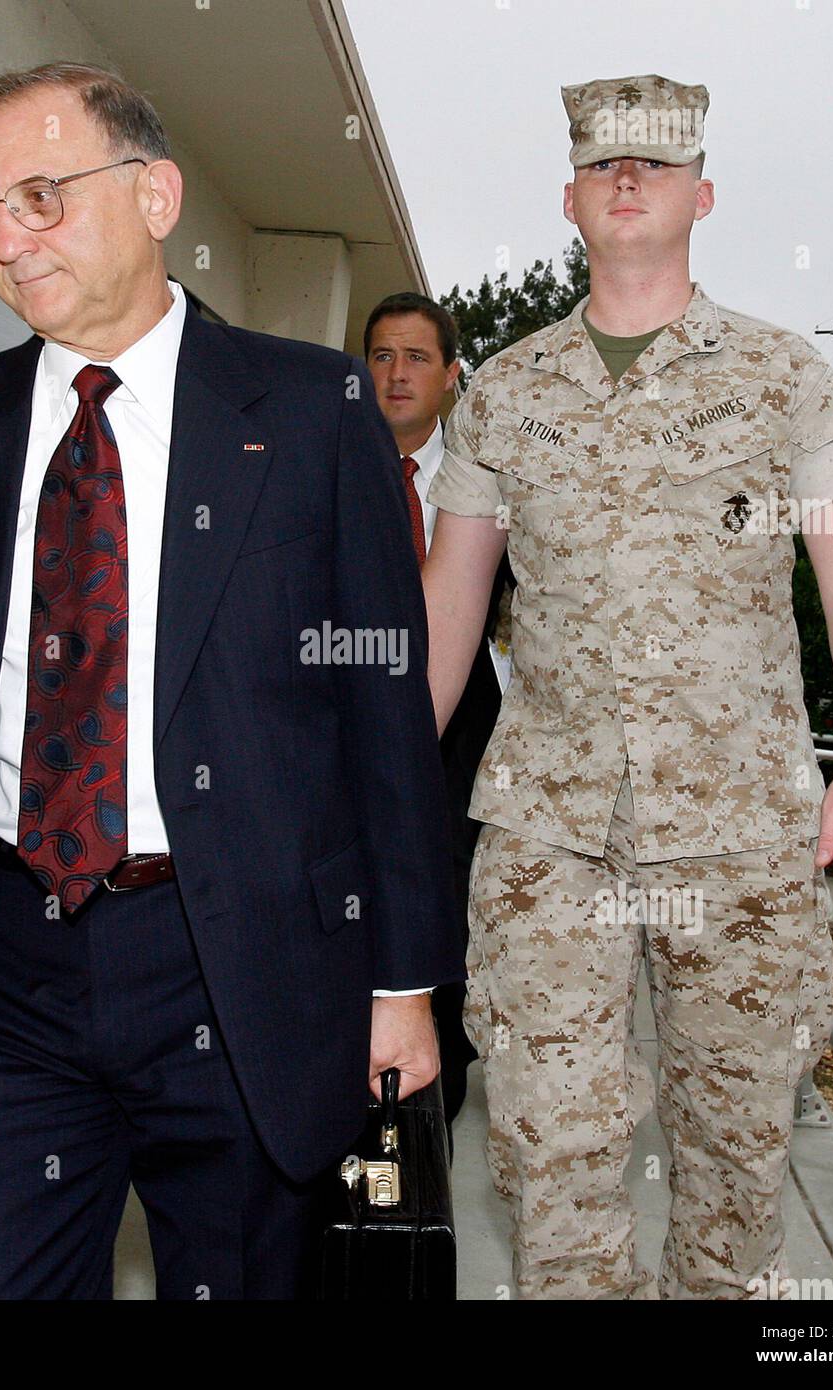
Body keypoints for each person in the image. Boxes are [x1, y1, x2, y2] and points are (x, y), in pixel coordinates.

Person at [0, 61, 462, 1300]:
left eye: (42, 196)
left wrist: (403, 984)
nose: (8, 238)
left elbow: (383, 721)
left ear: (156, 195)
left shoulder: (314, 411)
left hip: (242, 964)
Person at [421, 73, 833, 1299]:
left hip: (740, 832)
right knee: (546, 1143)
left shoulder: (781, 379)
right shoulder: (502, 395)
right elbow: (449, 602)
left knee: (735, 1153)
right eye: (601, 166)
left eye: (652, 163)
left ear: (702, 192)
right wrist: (375, 792)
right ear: (570, 200)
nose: (625, 180)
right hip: (547, 834)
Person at [364, 293, 506, 1148]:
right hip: (345, 730)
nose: (396, 374)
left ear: (452, 378)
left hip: (465, 749)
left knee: (443, 912)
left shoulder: (491, 487)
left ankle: (430, 1113)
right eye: (380, 356)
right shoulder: (324, 476)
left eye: (417, 357)